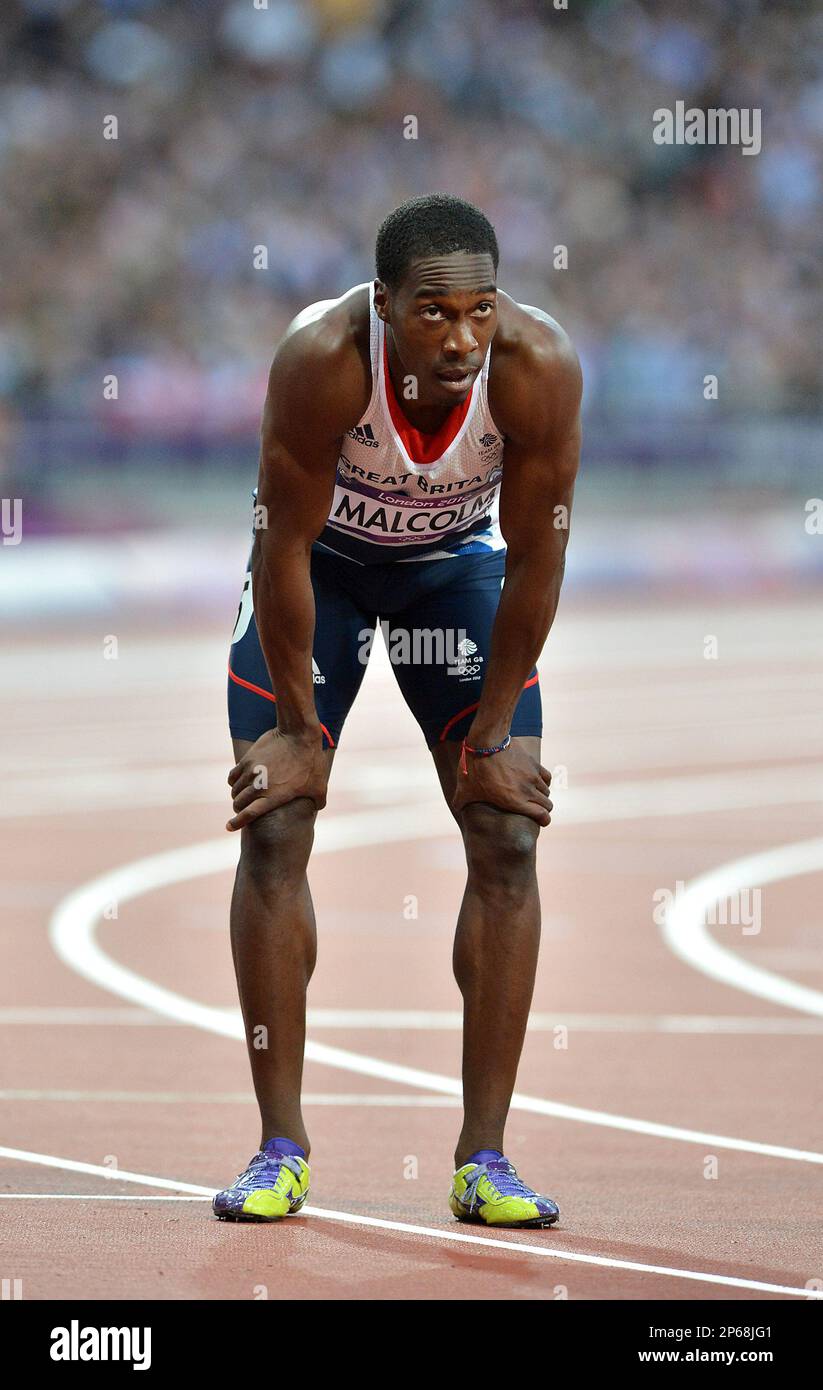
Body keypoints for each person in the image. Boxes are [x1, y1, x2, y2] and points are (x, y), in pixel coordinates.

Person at [213, 193, 582, 1227]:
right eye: (433, 313)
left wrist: (496, 736)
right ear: (382, 304)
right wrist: (296, 729)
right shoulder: (322, 360)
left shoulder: (537, 368)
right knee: (276, 822)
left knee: (508, 836)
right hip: (320, 575)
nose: (462, 337)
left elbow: (538, 561)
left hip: (451, 575)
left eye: (479, 309)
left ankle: (485, 1158)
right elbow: (281, 543)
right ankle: (279, 1145)